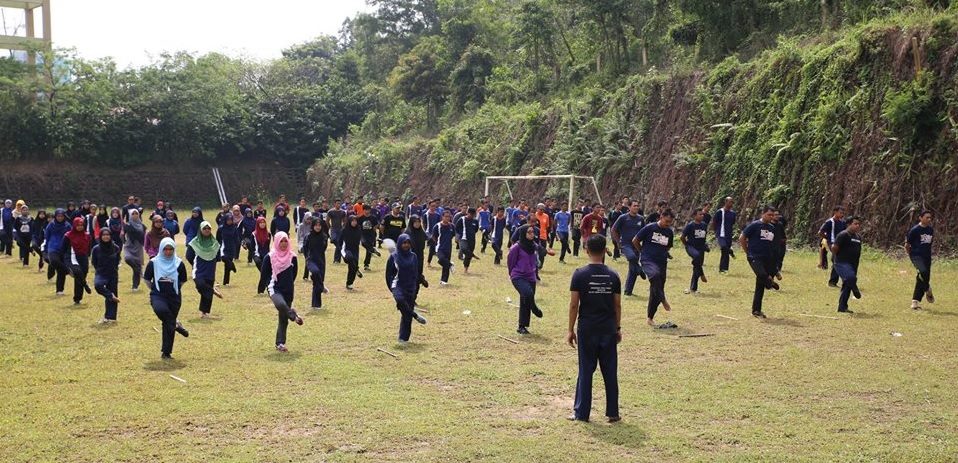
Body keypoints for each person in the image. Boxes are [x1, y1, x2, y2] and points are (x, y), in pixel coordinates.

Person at [567, 234, 621, 423]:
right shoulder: (613, 275)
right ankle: (613, 412)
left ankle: (582, 413)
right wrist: (618, 327)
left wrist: (570, 329)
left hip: (587, 328)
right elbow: (617, 306)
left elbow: (574, 304)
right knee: (610, 370)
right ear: (605, 250)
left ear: (586, 250)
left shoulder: (579, 274)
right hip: (608, 328)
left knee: (585, 370)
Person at [144, 237, 189, 359]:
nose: (168, 252)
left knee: (168, 323)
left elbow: (183, 279)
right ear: (161, 249)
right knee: (161, 310)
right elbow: (147, 279)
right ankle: (176, 323)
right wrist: (155, 288)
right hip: (158, 295)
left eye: (170, 249)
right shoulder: (154, 262)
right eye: (165, 249)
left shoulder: (179, 263)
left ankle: (166, 352)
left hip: (174, 296)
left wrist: (175, 287)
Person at [258, 232, 304, 352]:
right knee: (280, 305)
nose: (283, 244)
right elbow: (264, 274)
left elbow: (294, 274)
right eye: (281, 241)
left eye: (285, 241)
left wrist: (288, 284)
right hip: (275, 288)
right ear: (277, 242)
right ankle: (294, 316)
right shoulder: (269, 257)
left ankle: (280, 343)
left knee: (283, 318)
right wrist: (268, 284)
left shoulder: (292, 257)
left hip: (288, 289)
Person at [633, 209, 675, 328]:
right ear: (661, 217)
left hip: (662, 262)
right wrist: (643, 252)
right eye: (666, 221)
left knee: (656, 288)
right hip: (648, 260)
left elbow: (668, 247)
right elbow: (635, 240)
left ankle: (650, 317)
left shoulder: (669, 232)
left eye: (670, 222)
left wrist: (660, 254)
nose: (668, 224)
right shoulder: (649, 228)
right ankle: (663, 299)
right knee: (655, 276)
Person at [385, 234, 428, 344]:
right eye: (404, 243)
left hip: (410, 287)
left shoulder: (413, 256)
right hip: (397, 285)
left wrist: (420, 282)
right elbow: (388, 274)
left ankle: (403, 338)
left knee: (406, 314)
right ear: (400, 243)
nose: (406, 245)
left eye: (408, 243)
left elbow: (416, 272)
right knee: (400, 301)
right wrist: (392, 288)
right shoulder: (394, 257)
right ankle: (415, 315)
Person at [740, 206, 780, 319]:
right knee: (762, 275)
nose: (771, 217)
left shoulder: (772, 228)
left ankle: (756, 310)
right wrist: (747, 252)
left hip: (767, 258)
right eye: (769, 215)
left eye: (773, 215)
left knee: (760, 285)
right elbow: (742, 238)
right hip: (754, 256)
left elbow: (772, 244)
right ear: (763, 214)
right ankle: (770, 283)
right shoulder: (754, 225)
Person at [509, 224, 544, 335]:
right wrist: (512, 274)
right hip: (518, 276)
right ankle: (534, 308)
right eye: (529, 232)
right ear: (523, 233)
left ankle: (522, 326)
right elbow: (510, 262)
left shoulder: (534, 246)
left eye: (532, 232)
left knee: (525, 300)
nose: (532, 234)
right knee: (528, 294)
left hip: (530, 276)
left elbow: (542, 251)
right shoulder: (516, 247)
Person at [189, 221, 224, 318]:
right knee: (200, 285)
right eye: (204, 228)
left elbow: (218, 257)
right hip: (199, 270)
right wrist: (196, 263)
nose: (207, 230)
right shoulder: (194, 243)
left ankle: (204, 313)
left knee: (207, 295)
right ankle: (213, 290)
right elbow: (189, 256)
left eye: (209, 228)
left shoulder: (215, 243)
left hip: (210, 270)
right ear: (200, 230)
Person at [611, 200, 645, 296]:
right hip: (625, 244)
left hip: (636, 245)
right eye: (634, 206)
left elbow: (644, 231)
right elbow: (613, 230)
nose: (636, 207)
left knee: (632, 269)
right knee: (631, 257)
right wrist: (618, 242)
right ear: (629, 207)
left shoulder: (641, 219)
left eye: (638, 206)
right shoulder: (623, 218)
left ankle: (628, 291)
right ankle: (640, 269)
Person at [60, 217, 94, 305]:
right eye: (78, 225)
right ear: (74, 225)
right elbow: (62, 249)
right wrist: (63, 261)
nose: (80, 227)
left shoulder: (87, 235)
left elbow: (89, 247)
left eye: (81, 225)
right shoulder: (68, 235)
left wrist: (88, 256)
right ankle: (85, 285)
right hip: (72, 256)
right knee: (77, 272)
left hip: (83, 257)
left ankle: (77, 298)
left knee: (82, 275)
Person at [832, 216, 863, 314]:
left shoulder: (858, 237)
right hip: (841, 262)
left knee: (847, 285)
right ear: (849, 224)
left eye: (858, 224)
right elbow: (834, 248)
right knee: (851, 278)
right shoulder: (843, 235)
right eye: (855, 224)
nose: (857, 226)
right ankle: (855, 290)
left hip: (853, 264)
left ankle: (842, 307)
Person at [906, 210, 935, 310]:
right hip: (916, 256)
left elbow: (929, 244)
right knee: (922, 273)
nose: (929, 219)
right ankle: (924, 293)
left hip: (927, 257)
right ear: (920, 218)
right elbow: (907, 244)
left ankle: (918, 298)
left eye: (930, 218)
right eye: (927, 217)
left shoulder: (931, 230)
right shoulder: (915, 230)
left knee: (923, 277)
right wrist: (911, 255)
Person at [91, 228, 122, 323]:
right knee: (98, 285)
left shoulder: (116, 247)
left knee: (112, 294)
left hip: (112, 273)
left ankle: (110, 317)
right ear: (100, 236)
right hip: (101, 273)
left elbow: (117, 260)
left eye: (107, 234)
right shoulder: (96, 249)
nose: (106, 236)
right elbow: (94, 262)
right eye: (103, 235)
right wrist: (100, 269)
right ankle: (110, 295)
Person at [42, 209, 72, 294]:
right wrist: (45, 249)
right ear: (55, 216)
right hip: (52, 248)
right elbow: (47, 237)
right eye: (58, 216)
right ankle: (68, 271)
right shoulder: (51, 225)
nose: (60, 218)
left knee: (60, 271)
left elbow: (71, 237)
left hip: (64, 248)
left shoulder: (67, 226)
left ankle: (60, 290)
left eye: (61, 216)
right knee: (54, 261)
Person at [303, 218, 330, 309]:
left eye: (319, 225)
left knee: (316, 282)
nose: (318, 227)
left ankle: (316, 305)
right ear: (313, 226)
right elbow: (305, 248)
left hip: (321, 260)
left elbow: (324, 248)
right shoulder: (308, 236)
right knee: (315, 272)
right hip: (311, 260)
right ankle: (322, 286)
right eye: (316, 225)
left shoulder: (324, 236)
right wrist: (307, 258)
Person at [681, 209, 709, 294]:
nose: (702, 216)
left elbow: (704, 237)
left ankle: (693, 288)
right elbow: (682, 237)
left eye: (702, 214)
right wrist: (687, 245)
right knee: (696, 257)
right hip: (691, 247)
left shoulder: (704, 225)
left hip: (701, 248)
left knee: (697, 266)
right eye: (700, 214)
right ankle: (702, 274)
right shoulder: (690, 225)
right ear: (695, 216)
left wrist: (705, 246)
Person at [818, 206, 846, 287]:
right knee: (836, 261)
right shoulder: (829, 222)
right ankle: (833, 281)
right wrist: (827, 238)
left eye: (842, 213)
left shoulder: (842, 222)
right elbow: (820, 232)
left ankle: (838, 280)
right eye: (840, 212)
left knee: (839, 261)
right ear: (835, 212)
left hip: (841, 244)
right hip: (833, 244)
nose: (842, 214)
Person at [404, 215, 429, 297]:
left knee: (417, 277)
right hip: (409, 258)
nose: (417, 224)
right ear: (411, 223)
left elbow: (428, 238)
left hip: (419, 257)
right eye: (415, 222)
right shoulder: (407, 233)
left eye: (419, 222)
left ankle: (414, 297)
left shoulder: (422, 232)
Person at [122, 209, 147, 291]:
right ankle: (139, 271)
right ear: (130, 215)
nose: (135, 215)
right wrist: (124, 241)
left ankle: (135, 286)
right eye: (133, 214)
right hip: (129, 246)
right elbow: (122, 234)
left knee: (136, 267)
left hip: (138, 248)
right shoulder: (127, 225)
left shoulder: (142, 226)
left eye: (136, 213)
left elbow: (145, 237)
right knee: (128, 259)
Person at [712, 197, 737, 274]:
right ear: (726, 202)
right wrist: (716, 232)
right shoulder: (720, 212)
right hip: (721, 234)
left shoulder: (733, 213)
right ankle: (730, 251)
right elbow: (714, 222)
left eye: (732, 202)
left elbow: (733, 223)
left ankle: (724, 269)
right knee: (724, 247)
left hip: (728, 235)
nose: (731, 204)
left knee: (724, 252)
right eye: (730, 202)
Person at [431, 211, 455, 285]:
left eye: (449, 217)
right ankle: (450, 264)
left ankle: (444, 281)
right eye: (446, 216)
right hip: (440, 247)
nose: (447, 218)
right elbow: (434, 236)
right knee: (441, 259)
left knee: (445, 265)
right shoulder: (437, 226)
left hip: (448, 247)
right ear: (442, 217)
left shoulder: (452, 226)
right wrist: (436, 244)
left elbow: (453, 234)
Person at [216, 214, 240, 287]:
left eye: (230, 220)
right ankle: (232, 266)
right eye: (228, 220)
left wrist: (238, 246)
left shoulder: (234, 228)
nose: (229, 222)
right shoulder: (221, 228)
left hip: (231, 248)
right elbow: (217, 239)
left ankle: (226, 282)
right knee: (225, 259)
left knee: (227, 266)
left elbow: (236, 238)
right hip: (223, 247)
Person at [455, 207, 480, 274]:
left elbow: (476, 229)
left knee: (468, 256)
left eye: (473, 215)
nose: (471, 216)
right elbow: (457, 227)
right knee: (464, 249)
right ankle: (473, 255)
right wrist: (460, 235)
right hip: (463, 238)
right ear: (467, 213)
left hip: (472, 240)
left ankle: (466, 268)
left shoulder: (475, 221)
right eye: (470, 214)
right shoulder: (462, 219)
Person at [341, 214, 364, 290]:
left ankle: (349, 283)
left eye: (355, 221)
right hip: (346, 249)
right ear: (349, 221)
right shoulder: (345, 230)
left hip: (355, 250)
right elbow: (340, 241)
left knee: (352, 266)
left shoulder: (359, 229)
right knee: (350, 259)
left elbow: (361, 239)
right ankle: (356, 268)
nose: (354, 222)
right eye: (353, 221)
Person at [359, 205, 381, 271]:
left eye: (368, 210)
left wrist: (375, 227)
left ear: (370, 210)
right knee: (363, 243)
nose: (367, 211)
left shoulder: (373, 217)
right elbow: (358, 226)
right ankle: (373, 250)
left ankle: (366, 265)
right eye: (365, 210)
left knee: (368, 251)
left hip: (371, 235)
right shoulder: (361, 218)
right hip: (363, 234)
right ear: (363, 210)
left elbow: (377, 224)